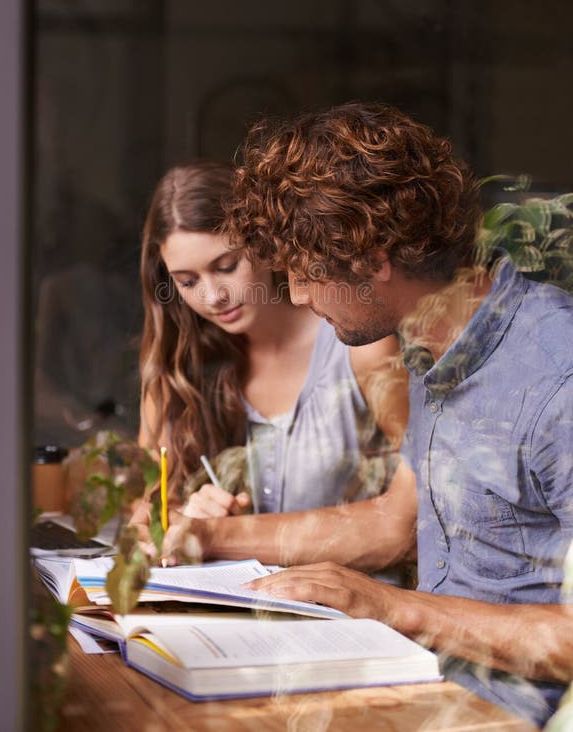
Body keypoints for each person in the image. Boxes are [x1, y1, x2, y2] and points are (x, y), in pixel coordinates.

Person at [156, 106, 573, 728]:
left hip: (498, 712)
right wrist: (209, 539)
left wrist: (390, 606)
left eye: (305, 274)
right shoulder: (442, 343)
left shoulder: (554, 380)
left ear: (374, 259)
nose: (295, 296)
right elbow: (392, 523)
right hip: (415, 682)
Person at [137, 160, 408, 520]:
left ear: (263, 242)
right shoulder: (177, 375)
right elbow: (146, 515)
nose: (213, 296)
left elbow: (427, 503)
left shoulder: (362, 347)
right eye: (188, 282)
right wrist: (189, 514)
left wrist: (234, 537)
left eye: (226, 266)